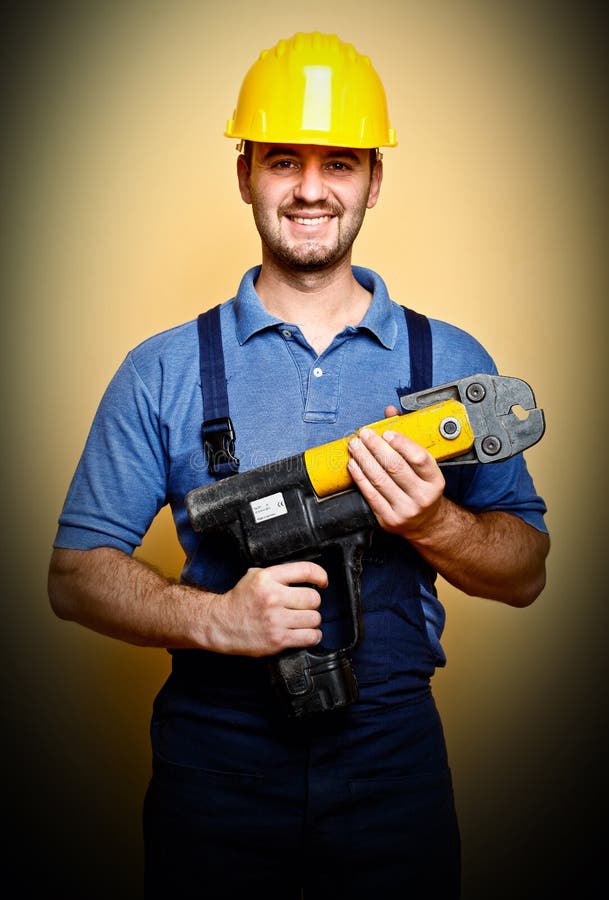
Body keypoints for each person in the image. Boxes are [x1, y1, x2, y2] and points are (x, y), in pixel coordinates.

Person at [48, 31, 549, 899]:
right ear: (245, 174)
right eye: (283, 161)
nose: (311, 189)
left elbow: (525, 574)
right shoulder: (163, 368)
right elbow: (73, 576)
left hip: (393, 768)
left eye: (340, 164)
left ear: (373, 181)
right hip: (216, 773)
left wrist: (434, 523)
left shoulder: (451, 363)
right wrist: (217, 621)